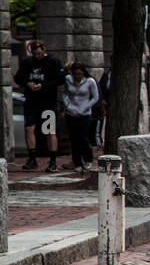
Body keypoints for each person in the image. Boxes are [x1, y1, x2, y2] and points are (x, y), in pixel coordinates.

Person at [13, 40, 64, 171]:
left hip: (48, 102)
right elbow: (18, 78)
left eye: (40, 53)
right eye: (35, 54)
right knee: (29, 128)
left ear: (44, 50)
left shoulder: (53, 62)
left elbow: (60, 79)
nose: (38, 56)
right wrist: (28, 83)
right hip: (31, 101)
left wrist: (44, 85)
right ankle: (32, 158)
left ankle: (52, 160)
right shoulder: (27, 63)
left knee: (50, 131)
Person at [59, 62, 99, 173]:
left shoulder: (90, 81)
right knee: (73, 138)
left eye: (80, 74)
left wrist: (85, 107)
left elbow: (95, 97)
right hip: (71, 113)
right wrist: (68, 106)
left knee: (82, 137)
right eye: (75, 74)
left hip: (85, 113)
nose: (77, 76)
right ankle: (77, 162)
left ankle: (88, 158)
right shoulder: (68, 80)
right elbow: (64, 94)